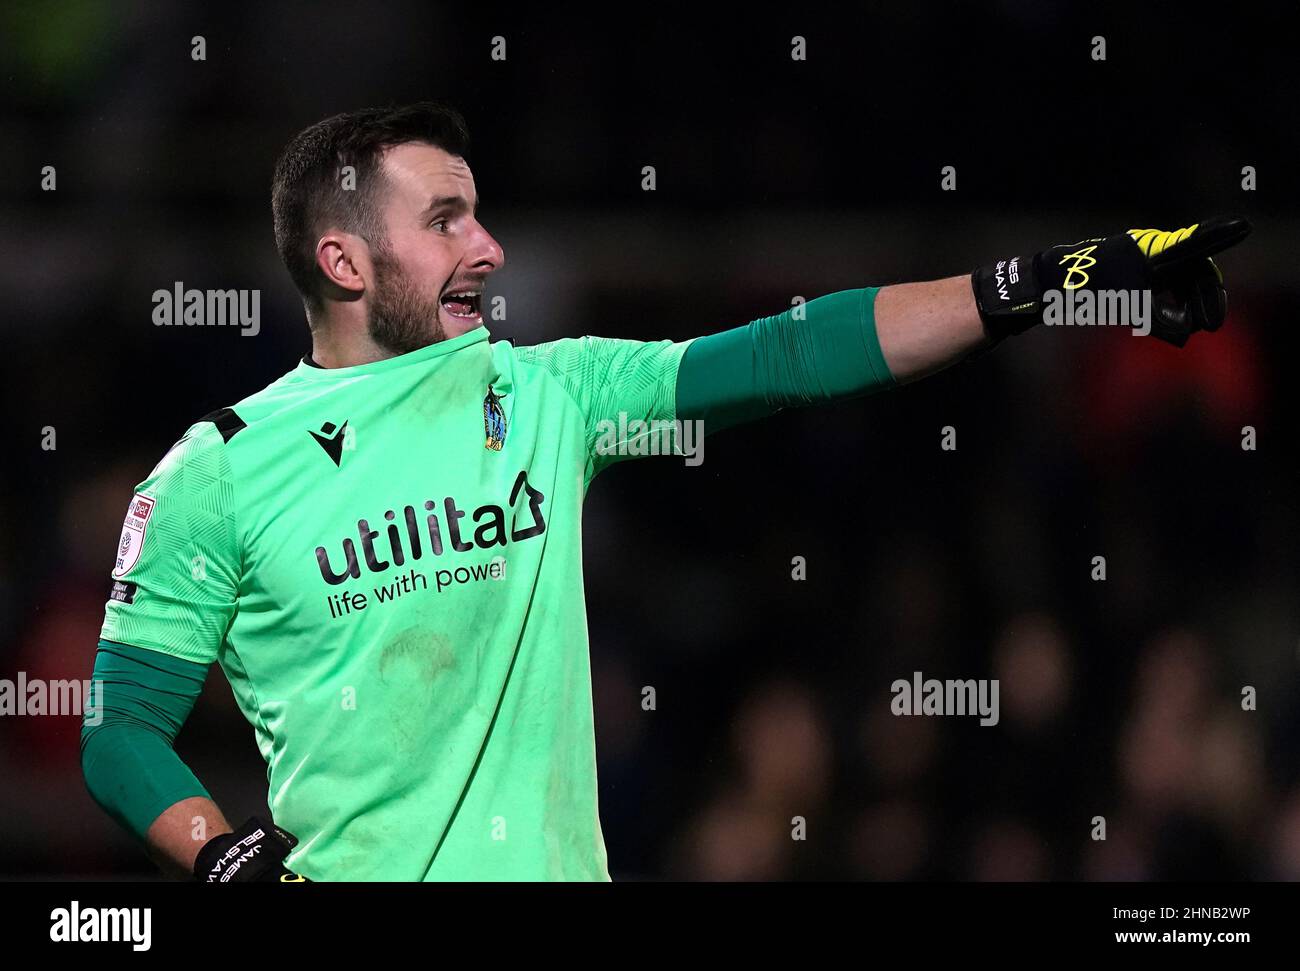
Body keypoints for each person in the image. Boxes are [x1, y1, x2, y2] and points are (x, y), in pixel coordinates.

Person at [80, 101, 1250, 881]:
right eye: (445, 220)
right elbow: (121, 728)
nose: (487, 247)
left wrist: (1046, 280)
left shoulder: (551, 393)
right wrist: (217, 853)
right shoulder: (216, 470)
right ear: (342, 260)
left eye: (478, 211)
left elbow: (793, 352)